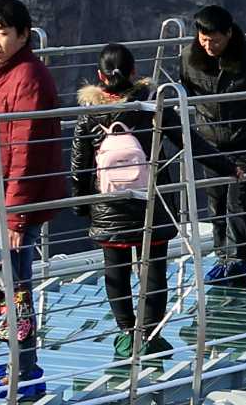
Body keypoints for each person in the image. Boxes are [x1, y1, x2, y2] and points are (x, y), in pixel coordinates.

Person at [0, 0, 62, 401]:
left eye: (3, 32)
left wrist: (16, 216)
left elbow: (27, 148)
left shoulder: (28, 78)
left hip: (11, 203)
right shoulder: (10, 76)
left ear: (24, 35)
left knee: (14, 284)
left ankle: (25, 370)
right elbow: (8, 138)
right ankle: (16, 363)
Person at [71, 44, 176, 364]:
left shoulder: (90, 116)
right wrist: (229, 168)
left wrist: (83, 206)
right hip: (152, 204)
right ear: (134, 73)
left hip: (107, 205)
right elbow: (188, 139)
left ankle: (125, 334)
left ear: (99, 77)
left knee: (115, 271)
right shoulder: (151, 106)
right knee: (154, 269)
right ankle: (150, 336)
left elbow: (79, 166)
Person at [177, 6, 246, 293]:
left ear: (229, 33)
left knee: (239, 201)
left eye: (214, 40)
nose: (208, 46)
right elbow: (187, 90)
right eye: (203, 39)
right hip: (211, 142)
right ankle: (222, 258)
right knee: (216, 202)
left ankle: (238, 261)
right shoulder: (190, 58)